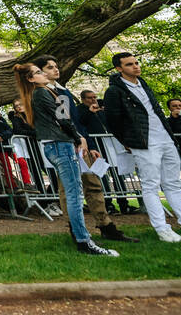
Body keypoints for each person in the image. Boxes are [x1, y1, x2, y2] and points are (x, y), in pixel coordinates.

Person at [102, 52, 181, 244]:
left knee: (173, 184)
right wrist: (127, 140)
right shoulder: (114, 91)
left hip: (165, 138)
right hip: (143, 142)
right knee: (150, 185)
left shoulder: (143, 84)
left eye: (136, 62)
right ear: (119, 68)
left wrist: (169, 135)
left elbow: (155, 111)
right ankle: (162, 229)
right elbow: (112, 120)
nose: (135, 66)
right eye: (129, 64)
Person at [14, 63, 118, 256]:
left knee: (75, 192)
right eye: (38, 72)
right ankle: (83, 240)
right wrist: (78, 137)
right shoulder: (41, 93)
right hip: (59, 145)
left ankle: (83, 238)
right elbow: (62, 119)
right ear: (30, 79)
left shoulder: (46, 92)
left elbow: (63, 117)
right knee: (74, 195)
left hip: (60, 144)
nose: (44, 73)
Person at [33, 56, 136, 243]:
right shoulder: (47, 93)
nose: (55, 70)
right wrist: (76, 140)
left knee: (93, 184)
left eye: (56, 66)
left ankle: (106, 225)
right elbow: (62, 121)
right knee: (68, 189)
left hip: (81, 145)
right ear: (39, 72)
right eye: (49, 67)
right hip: (66, 145)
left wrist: (91, 145)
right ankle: (76, 228)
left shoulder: (62, 91)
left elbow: (77, 122)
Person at [79, 88, 138, 214]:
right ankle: (107, 204)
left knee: (118, 174)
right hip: (97, 146)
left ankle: (124, 203)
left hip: (111, 145)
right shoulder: (80, 110)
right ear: (83, 99)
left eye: (94, 97)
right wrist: (90, 113)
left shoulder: (101, 111)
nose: (93, 99)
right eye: (90, 97)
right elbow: (81, 124)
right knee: (102, 175)